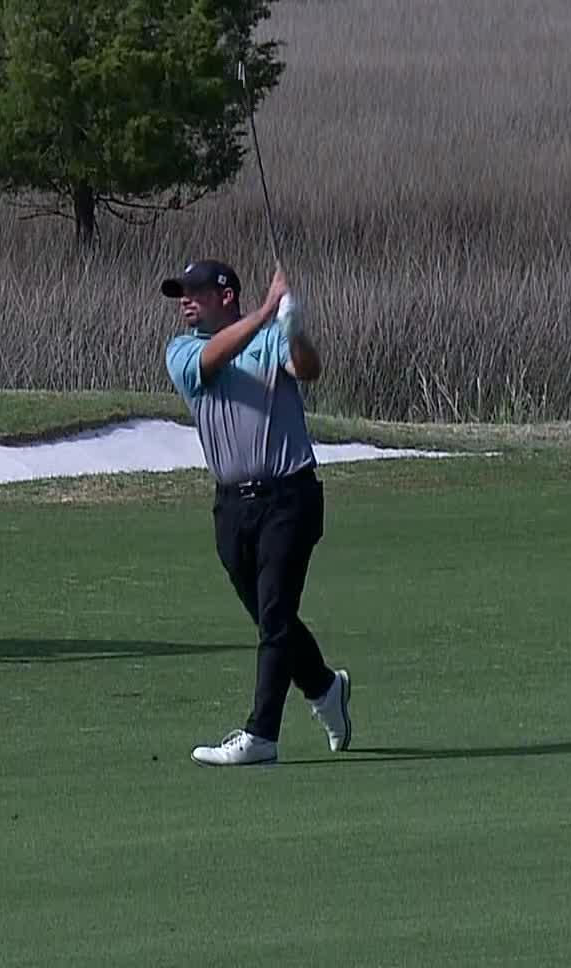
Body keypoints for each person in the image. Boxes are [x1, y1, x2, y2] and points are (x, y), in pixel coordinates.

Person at [162, 259, 351, 767]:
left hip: (289, 496)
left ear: (226, 295)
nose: (185, 300)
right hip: (231, 507)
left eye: (195, 291)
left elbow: (307, 368)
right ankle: (325, 688)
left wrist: (292, 327)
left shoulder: (269, 342)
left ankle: (261, 736)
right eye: (181, 293)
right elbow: (213, 362)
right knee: (275, 618)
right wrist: (268, 309)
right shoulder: (183, 350)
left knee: (273, 616)